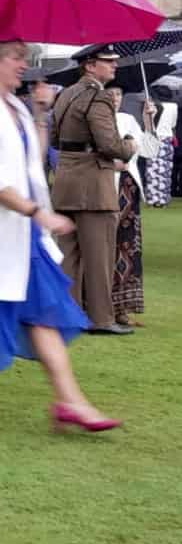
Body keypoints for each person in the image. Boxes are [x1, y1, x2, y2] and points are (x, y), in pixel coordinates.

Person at [0, 40, 118, 435]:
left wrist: (39, 114)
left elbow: (31, 162)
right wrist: (41, 215)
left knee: (44, 313)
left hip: (21, 233)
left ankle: (71, 401)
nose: (24, 64)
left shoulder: (14, 107)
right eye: (16, 57)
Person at [50, 45, 137, 335]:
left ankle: (67, 315)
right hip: (92, 183)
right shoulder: (99, 97)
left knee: (68, 255)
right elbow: (111, 146)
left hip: (66, 178)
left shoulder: (64, 94)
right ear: (90, 65)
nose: (114, 66)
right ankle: (101, 318)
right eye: (108, 61)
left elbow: (53, 137)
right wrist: (130, 145)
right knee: (100, 255)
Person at [108, 84, 156, 328]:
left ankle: (123, 308)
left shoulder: (128, 119)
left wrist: (148, 122)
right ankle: (101, 306)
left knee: (128, 249)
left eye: (118, 94)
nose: (115, 98)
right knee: (108, 248)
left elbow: (149, 151)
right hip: (107, 189)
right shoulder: (95, 119)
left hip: (129, 189)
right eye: (111, 94)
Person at [143, 97, 176, 207]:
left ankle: (152, 199)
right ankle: (164, 199)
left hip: (154, 137)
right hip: (167, 139)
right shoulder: (173, 106)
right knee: (166, 171)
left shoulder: (152, 105)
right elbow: (173, 124)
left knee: (152, 170)